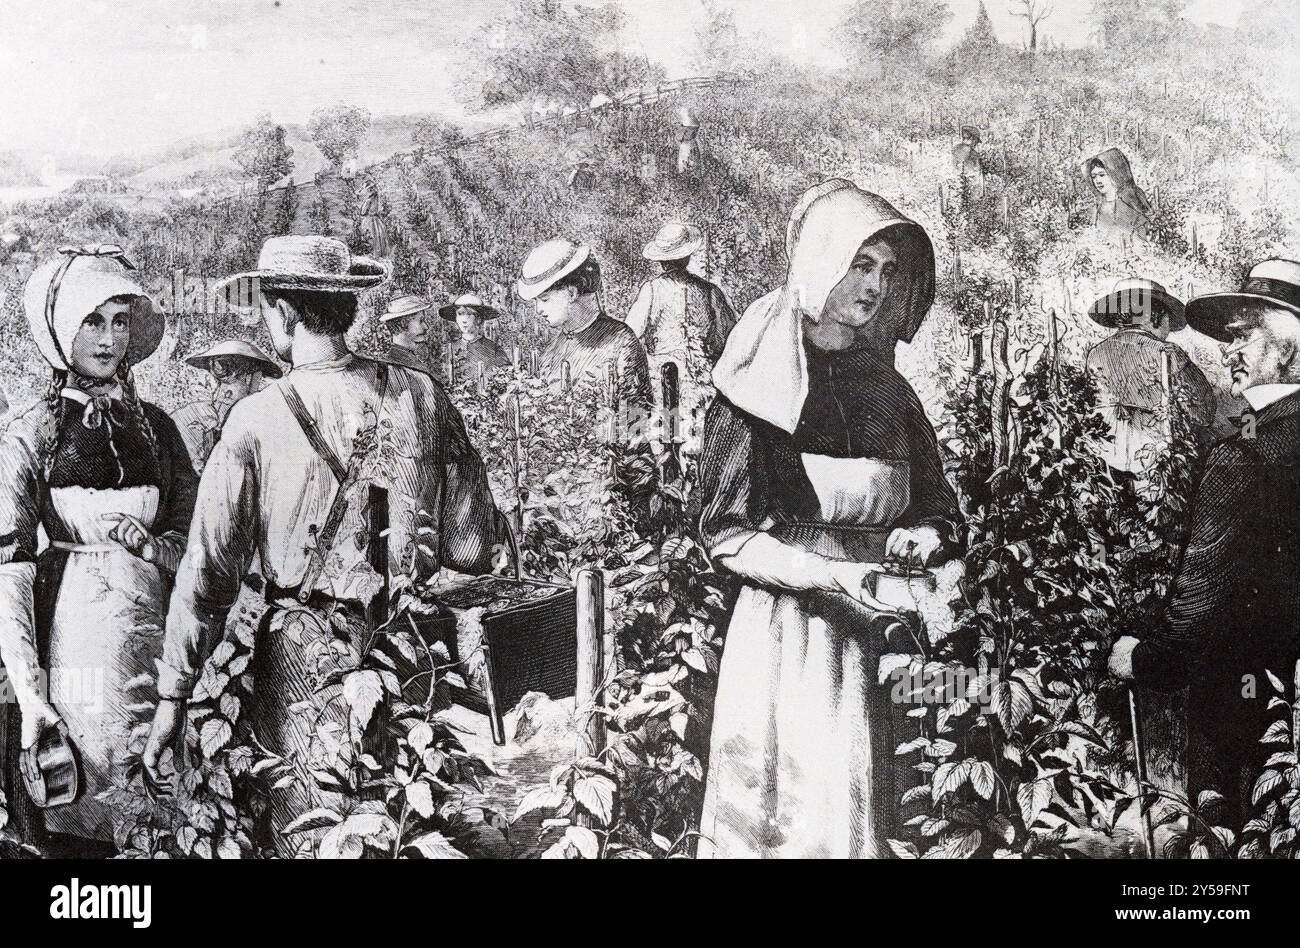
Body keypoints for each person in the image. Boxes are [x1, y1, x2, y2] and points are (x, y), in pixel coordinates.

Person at [142, 236, 506, 849]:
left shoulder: (254, 419)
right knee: (402, 823)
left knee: (310, 831)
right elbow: (471, 550)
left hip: (301, 661)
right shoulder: (423, 395)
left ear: (282, 312)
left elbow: (207, 578)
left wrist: (173, 695)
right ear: (349, 309)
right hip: (406, 647)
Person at [696, 180, 962, 859]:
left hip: (890, 628)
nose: (874, 285)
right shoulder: (759, 379)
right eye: (859, 263)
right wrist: (835, 576)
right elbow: (726, 533)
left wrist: (925, 535)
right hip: (796, 634)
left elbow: (941, 510)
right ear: (819, 262)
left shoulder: (889, 388)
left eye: (886, 270)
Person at [0, 245, 198, 855]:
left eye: (120, 320)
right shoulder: (33, 432)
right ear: (61, 329)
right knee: (83, 804)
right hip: (73, 635)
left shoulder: (159, 429)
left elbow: (193, 534)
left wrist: (158, 548)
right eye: (94, 320)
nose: (110, 338)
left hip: (158, 634)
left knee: (163, 795)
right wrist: (32, 698)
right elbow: (9, 566)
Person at [1108, 258, 1300, 831]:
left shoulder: (1244, 456)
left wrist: (1141, 658)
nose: (1228, 352)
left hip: (1243, 705)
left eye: (1243, 336)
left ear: (1290, 345)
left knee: (1228, 840)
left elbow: (1200, 600)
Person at [1084, 279, 1216, 477]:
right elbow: (1205, 412)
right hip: (1157, 466)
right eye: (1167, 317)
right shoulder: (1167, 352)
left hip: (1105, 463)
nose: (1170, 326)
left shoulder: (1095, 354)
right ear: (1155, 315)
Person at [625, 221, 738, 444]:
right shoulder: (710, 292)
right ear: (687, 257)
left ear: (661, 261)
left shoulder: (652, 290)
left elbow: (629, 337)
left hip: (661, 386)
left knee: (663, 446)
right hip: (701, 385)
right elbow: (726, 339)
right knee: (701, 446)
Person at [518, 239, 652, 421]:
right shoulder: (549, 352)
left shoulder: (620, 341)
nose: (538, 310)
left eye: (545, 299)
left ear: (572, 293)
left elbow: (639, 420)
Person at [171, 339, 283, 474]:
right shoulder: (197, 415)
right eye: (256, 378)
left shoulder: (265, 417)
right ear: (250, 378)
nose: (219, 394)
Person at [1084, 147, 1153, 240]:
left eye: (1102, 175)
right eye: (1094, 176)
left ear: (1114, 174)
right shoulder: (1099, 207)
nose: (1097, 181)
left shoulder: (1128, 203)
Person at [439, 293, 511, 375]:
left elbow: (505, 376)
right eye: (460, 314)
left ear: (479, 319)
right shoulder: (449, 349)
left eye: (469, 314)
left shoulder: (493, 349)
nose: (464, 320)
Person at [381, 294, 434, 375]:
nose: (426, 327)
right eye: (421, 321)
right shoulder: (393, 365)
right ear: (402, 323)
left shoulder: (412, 361)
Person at [358, 178, 390, 258]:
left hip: (370, 221)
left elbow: (362, 212)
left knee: (371, 239)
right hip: (377, 221)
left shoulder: (368, 200)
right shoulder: (375, 199)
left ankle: (374, 256)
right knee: (379, 240)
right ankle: (379, 256)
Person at [675, 107, 701, 176]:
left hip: (687, 147)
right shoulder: (687, 130)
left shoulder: (688, 129)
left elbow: (679, 138)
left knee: (689, 167)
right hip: (687, 148)